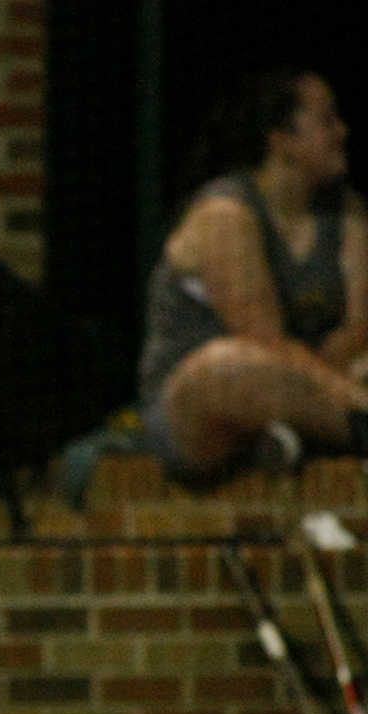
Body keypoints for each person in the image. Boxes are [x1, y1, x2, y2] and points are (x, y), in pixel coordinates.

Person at [140, 69, 368, 482]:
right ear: (282, 141)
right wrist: (353, 397)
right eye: (327, 120)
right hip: (203, 406)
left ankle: (301, 433)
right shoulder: (226, 214)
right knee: (227, 367)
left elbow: (358, 328)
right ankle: (350, 428)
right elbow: (266, 344)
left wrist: (340, 367)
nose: (342, 130)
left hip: (312, 384)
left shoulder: (346, 213)